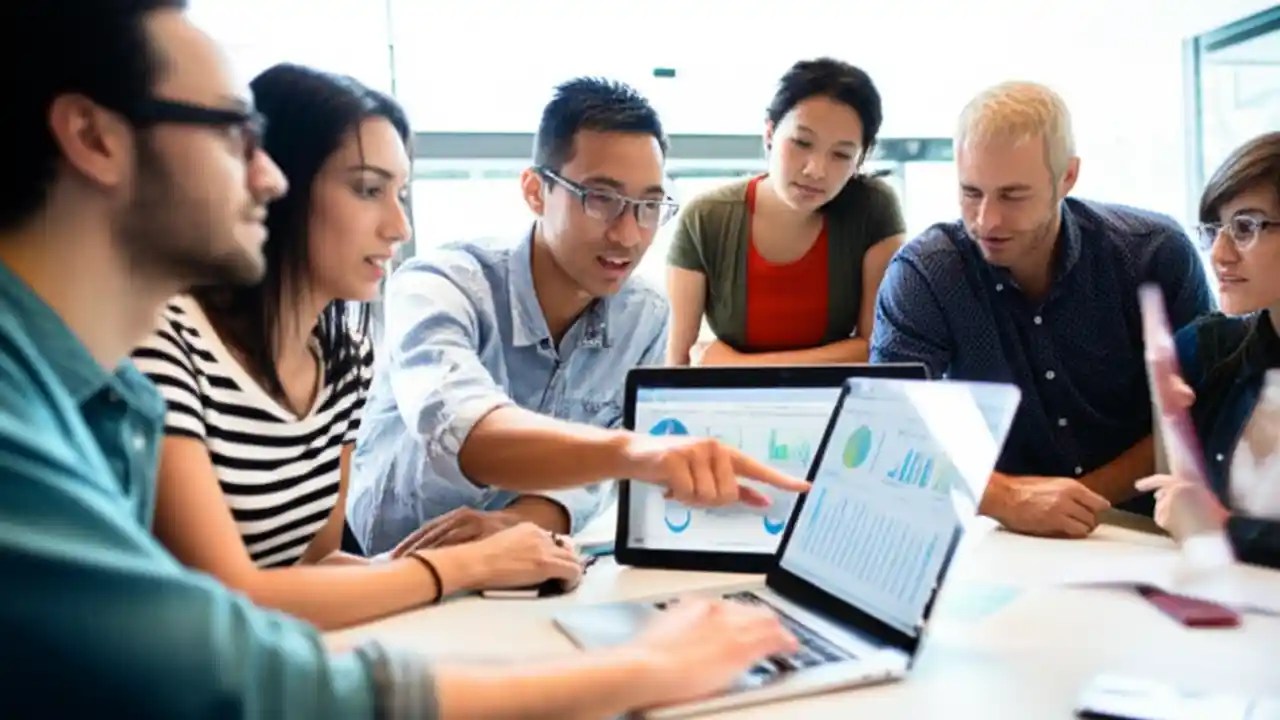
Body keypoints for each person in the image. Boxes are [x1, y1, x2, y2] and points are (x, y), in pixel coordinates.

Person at [0, 3, 804, 716]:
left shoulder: (318, 348)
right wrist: (633, 661)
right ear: (92, 137)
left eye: (647, 207)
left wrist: (511, 545)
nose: (266, 175)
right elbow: (228, 641)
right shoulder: (95, 379)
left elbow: (305, 573)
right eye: (228, 133)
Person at [130, 63, 582, 631]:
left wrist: (496, 565)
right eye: (368, 189)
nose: (398, 225)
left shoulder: (345, 357)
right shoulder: (165, 338)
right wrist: (460, 566)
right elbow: (227, 596)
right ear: (274, 180)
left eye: (402, 193)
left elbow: (315, 564)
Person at [348, 77, 804, 555]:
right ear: (535, 191)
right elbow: (461, 429)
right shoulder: (438, 285)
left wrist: (514, 526)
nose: (628, 236)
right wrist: (640, 454)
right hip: (387, 564)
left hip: (527, 561)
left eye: (648, 206)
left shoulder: (644, 317)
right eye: (601, 199)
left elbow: (591, 483)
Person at [870, 81, 1214, 539]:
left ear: (1067, 177)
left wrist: (1075, 499)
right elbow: (886, 430)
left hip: (1146, 528)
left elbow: (1199, 412)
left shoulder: (1153, 255)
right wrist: (1008, 499)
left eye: (1013, 196)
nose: (987, 220)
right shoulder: (926, 274)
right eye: (971, 192)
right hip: (996, 531)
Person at [666, 58, 905, 367]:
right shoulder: (706, 218)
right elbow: (679, 362)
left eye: (841, 155)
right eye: (801, 142)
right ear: (769, 133)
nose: (816, 170)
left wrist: (740, 365)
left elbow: (879, 349)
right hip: (730, 409)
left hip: (837, 405)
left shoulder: (873, 208)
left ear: (862, 158)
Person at [1135, 132, 1280, 569]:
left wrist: (1223, 526)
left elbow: (1211, 523)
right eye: (1215, 229)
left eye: (1246, 227)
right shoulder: (1211, 352)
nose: (1219, 254)